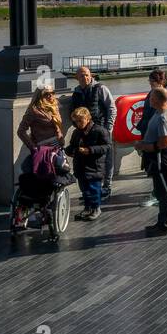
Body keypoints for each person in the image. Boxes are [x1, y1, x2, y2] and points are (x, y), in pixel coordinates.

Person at [136, 87, 167, 236]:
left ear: (155, 100)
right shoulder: (161, 111)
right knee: (160, 192)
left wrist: (143, 146)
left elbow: (164, 143)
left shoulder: (163, 117)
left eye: (151, 97)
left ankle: (165, 225)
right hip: (159, 157)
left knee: (163, 193)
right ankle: (161, 222)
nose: (149, 100)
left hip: (162, 159)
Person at [70, 66, 116, 197]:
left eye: (86, 75)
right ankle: (92, 190)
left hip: (102, 129)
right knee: (91, 162)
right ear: (77, 78)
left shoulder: (100, 88)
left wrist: (108, 128)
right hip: (85, 133)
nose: (85, 77)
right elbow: (73, 113)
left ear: (91, 75)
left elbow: (112, 108)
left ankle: (107, 187)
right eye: (81, 75)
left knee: (106, 159)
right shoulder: (76, 93)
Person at [65, 105, 111, 221]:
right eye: (76, 121)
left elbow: (107, 146)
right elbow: (72, 146)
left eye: (81, 121)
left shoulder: (99, 130)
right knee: (84, 189)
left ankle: (96, 208)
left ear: (88, 118)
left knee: (94, 188)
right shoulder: (76, 132)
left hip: (94, 166)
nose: (78, 123)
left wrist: (90, 150)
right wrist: (68, 150)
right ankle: (87, 208)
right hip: (80, 165)